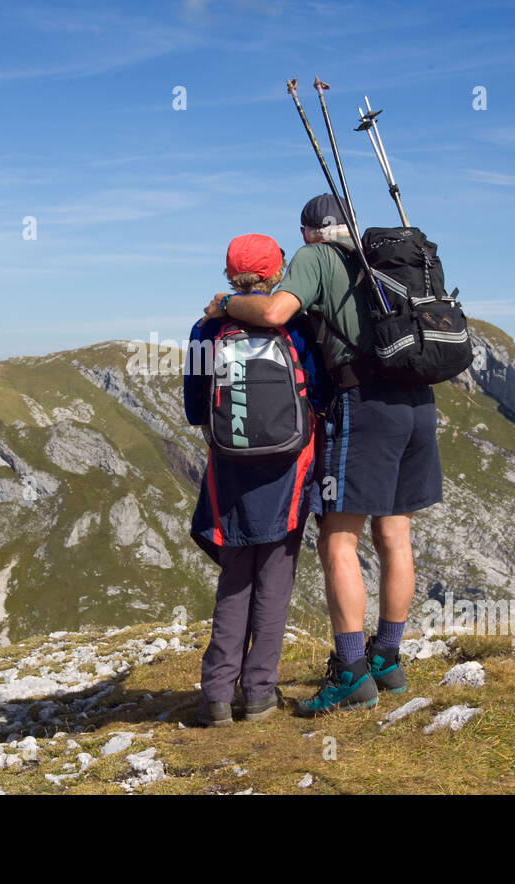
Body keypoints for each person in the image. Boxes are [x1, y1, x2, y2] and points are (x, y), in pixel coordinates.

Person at [202, 195, 443, 716]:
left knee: (338, 539)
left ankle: (352, 674)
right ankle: (388, 661)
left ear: (308, 232)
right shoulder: (384, 260)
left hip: (367, 405)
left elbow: (274, 311)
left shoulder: (317, 258)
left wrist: (223, 306)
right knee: (395, 535)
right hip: (419, 402)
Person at [184, 233, 332, 726]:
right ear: (276, 274)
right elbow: (320, 393)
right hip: (288, 471)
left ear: (231, 275)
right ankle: (261, 695)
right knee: (276, 578)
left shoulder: (206, 329)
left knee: (235, 578)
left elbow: (192, 407)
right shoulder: (295, 324)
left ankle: (218, 697)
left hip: (229, 471)